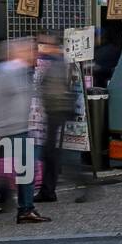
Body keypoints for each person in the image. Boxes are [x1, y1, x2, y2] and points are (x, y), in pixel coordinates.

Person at [0, 38, 49, 223]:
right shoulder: (3, 73)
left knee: (26, 170)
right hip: (5, 130)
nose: (33, 54)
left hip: (19, 128)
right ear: (18, 52)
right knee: (13, 170)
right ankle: (21, 207)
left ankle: (25, 209)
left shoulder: (22, 72)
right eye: (29, 51)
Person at [36, 33, 83, 204]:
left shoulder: (56, 64)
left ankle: (82, 183)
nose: (41, 47)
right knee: (52, 153)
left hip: (56, 112)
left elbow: (55, 91)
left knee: (52, 153)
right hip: (55, 112)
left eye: (44, 44)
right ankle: (48, 191)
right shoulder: (57, 62)